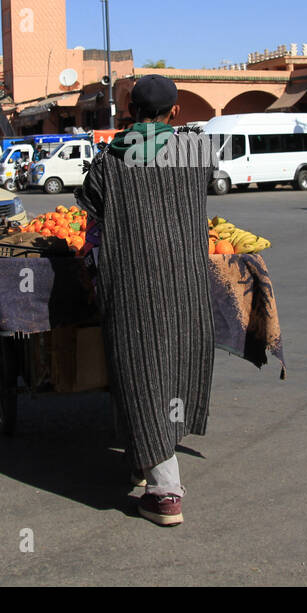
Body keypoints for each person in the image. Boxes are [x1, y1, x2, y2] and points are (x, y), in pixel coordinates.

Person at [74, 75, 217, 527]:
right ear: (174, 112)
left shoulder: (107, 162)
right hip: (189, 281)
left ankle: (164, 493)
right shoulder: (196, 152)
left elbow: (90, 213)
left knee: (142, 370)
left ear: (130, 111)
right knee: (172, 366)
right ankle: (152, 463)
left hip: (134, 282)